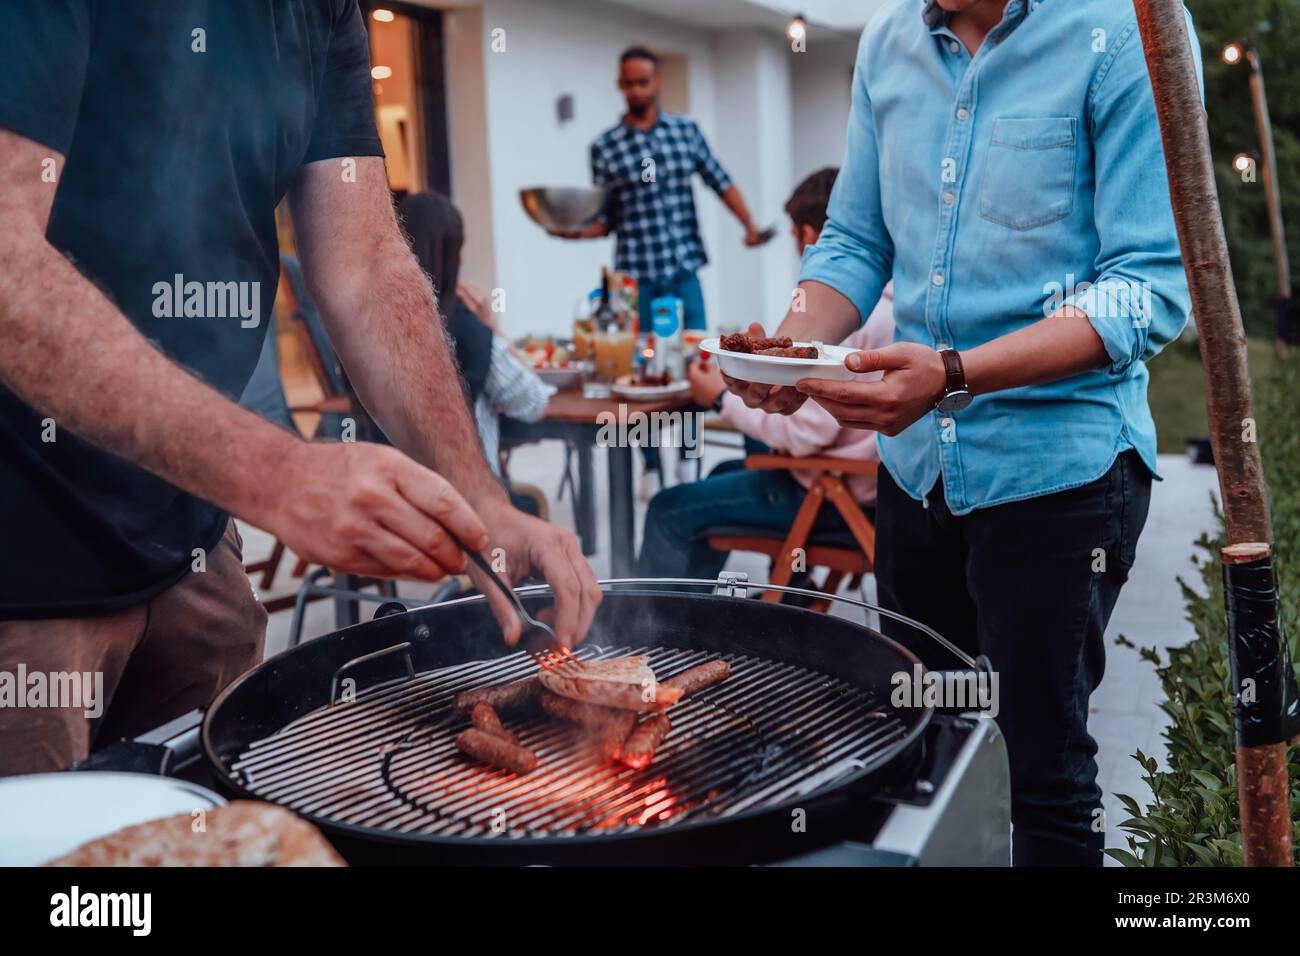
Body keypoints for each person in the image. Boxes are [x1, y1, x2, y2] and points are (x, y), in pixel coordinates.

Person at [0, 1, 600, 777]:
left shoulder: (319, 11)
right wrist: (276, 474)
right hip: (22, 565)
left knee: (214, 830)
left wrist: (481, 499)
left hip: (188, 542)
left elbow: (367, 265)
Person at [723, 0, 1201, 866]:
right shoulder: (887, 39)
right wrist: (791, 350)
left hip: (1060, 475)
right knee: (925, 742)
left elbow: (1144, 288)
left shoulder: (1125, 29)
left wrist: (953, 375)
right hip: (916, 475)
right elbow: (854, 241)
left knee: (1040, 772)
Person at [638, 168, 893, 583]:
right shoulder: (890, 304)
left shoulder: (850, 322)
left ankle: (657, 631)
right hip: (865, 489)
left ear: (811, 236)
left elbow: (806, 435)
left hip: (835, 493)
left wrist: (720, 399)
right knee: (724, 472)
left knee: (668, 508)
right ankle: (791, 590)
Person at [556, 45, 765, 497]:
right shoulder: (606, 147)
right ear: (620, 85)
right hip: (634, 280)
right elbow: (604, 217)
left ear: (657, 82)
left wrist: (748, 224)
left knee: (693, 364)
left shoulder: (685, 133)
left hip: (683, 270)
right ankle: (650, 465)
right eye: (628, 82)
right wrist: (572, 232)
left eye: (642, 81)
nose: (635, 89)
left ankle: (689, 460)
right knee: (638, 372)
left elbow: (719, 179)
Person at [399, 191, 555, 497]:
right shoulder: (468, 331)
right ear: (452, 254)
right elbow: (535, 402)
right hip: (472, 505)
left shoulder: (369, 325)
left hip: (399, 500)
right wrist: (492, 325)